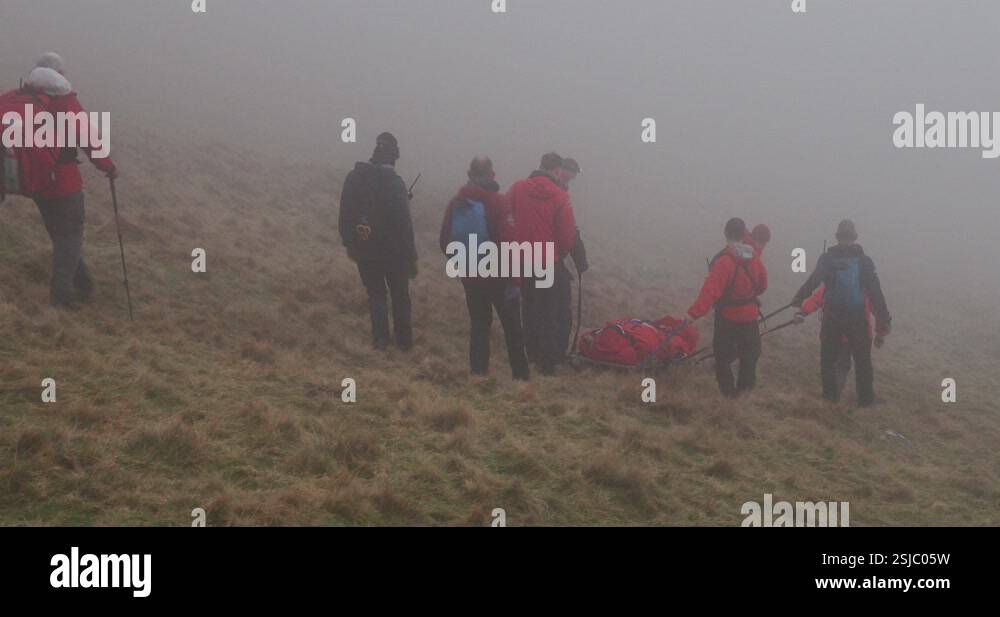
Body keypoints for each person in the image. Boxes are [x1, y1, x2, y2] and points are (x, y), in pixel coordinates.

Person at [21, 53, 118, 308]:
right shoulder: (64, 101)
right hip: (63, 182)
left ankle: (83, 283)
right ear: (60, 75)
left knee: (61, 234)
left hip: (34, 181)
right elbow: (87, 137)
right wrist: (107, 166)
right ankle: (61, 294)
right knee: (70, 235)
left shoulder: (24, 96)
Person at [439, 157, 529, 380]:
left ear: (469, 174)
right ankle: (520, 377)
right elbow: (509, 243)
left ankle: (478, 374)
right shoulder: (498, 202)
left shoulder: (456, 202)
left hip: (471, 274)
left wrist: (462, 264)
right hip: (499, 275)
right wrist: (515, 281)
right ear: (492, 175)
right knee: (512, 329)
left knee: (479, 325)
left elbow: (444, 240)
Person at [792, 220, 890, 407]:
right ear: (854, 238)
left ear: (837, 237)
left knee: (828, 360)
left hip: (832, 316)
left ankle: (829, 400)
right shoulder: (864, 261)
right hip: (857, 318)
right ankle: (866, 403)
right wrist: (884, 319)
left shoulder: (828, 258)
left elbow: (815, 280)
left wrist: (799, 298)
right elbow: (875, 291)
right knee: (863, 362)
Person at [339, 132, 417, 351]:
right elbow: (404, 224)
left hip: (365, 248)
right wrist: (411, 257)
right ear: (393, 157)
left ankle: (380, 341)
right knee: (400, 296)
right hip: (395, 254)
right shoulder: (396, 184)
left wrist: (350, 244)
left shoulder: (355, 177)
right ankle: (404, 343)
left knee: (376, 293)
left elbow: (345, 213)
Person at [507, 152, 577, 376]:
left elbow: (504, 214)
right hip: (548, 260)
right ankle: (547, 363)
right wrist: (561, 252)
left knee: (528, 306)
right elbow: (567, 235)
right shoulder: (560, 196)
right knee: (549, 310)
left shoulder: (518, 188)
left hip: (522, 258)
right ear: (557, 170)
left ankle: (531, 351)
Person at [687, 218, 768, 397]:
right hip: (749, 317)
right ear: (744, 235)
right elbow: (762, 286)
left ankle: (728, 395)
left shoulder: (723, 261)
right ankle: (743, 393)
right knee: (750, 355)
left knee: (722, 356)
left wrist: (693, 314)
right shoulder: (755, 259)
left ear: (725, 234)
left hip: (727, 317)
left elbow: (711, 291)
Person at [793, 282, 885, 399]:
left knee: (839, 365)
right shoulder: (865, 287)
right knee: (857, 367)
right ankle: (861, 399)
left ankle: (832, 397)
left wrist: (802, 313)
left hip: (838, 333)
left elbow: (816, 300)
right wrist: (881, 333)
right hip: (859, 334)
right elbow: (878, 310)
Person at [553, 157, 589, 359]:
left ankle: (538, 349)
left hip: (534, 254)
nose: (574, 177)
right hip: (550, 257)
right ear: (562, 170)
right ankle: (555, 353)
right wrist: (579, 258)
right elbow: (567, 228)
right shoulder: (558, 192)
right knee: (560, 308)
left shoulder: (561, 189)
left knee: (539, 305)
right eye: (572, 172)